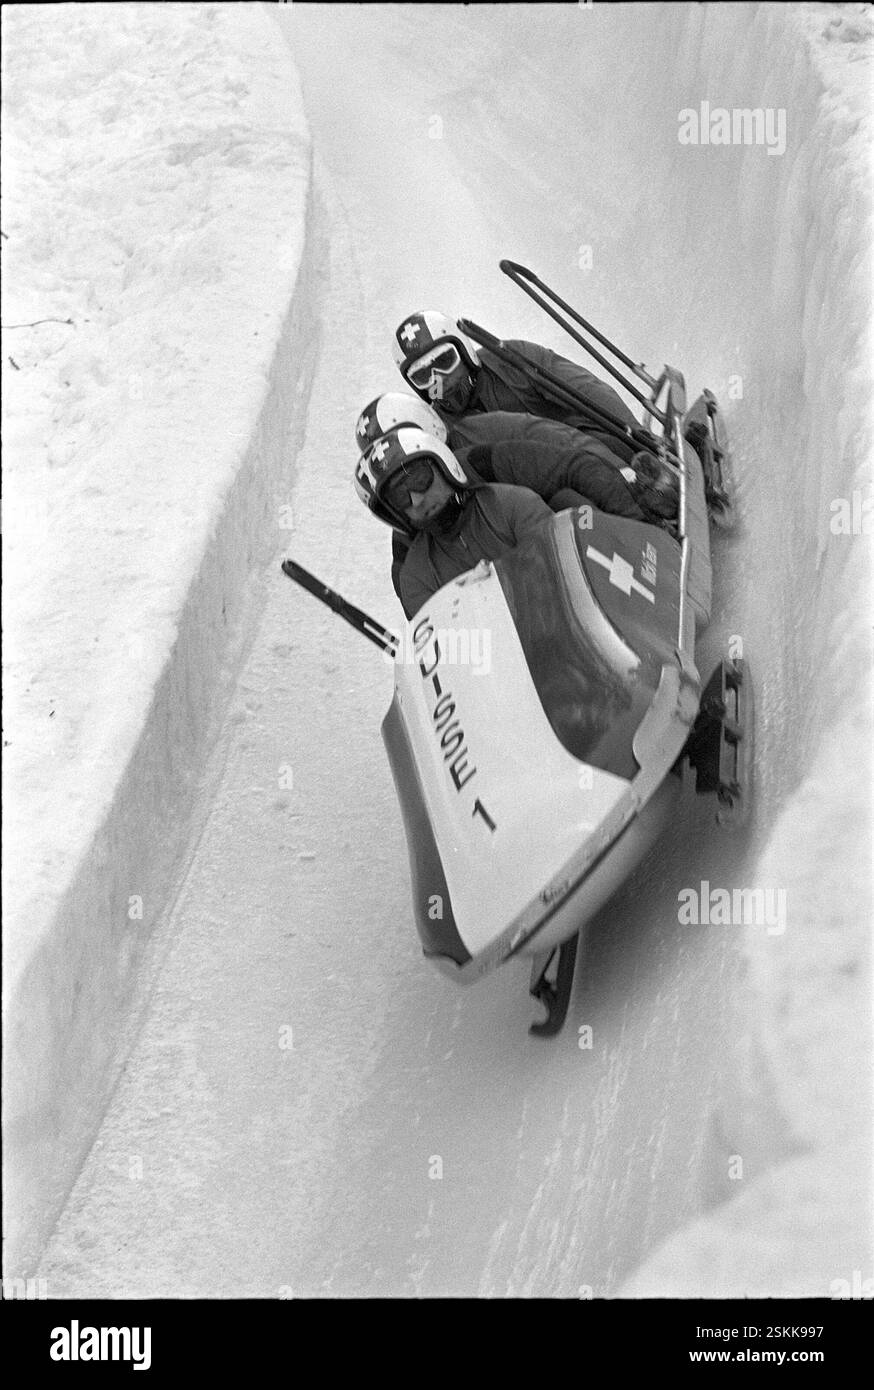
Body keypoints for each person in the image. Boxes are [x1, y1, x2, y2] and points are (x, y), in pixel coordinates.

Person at [391, 311, 647, 463]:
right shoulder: (440, 430)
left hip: (590, 444)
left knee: (613, 447)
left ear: (465, 352)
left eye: (445, 361)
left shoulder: (511, 359)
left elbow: (585, 389)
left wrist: (636, 434)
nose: (440, 378)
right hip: (545, 491)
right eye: (424, 376)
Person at [355, 425, 555, 618]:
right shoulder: (416, 578)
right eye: (400, 497)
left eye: (418, 479)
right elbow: (452, 642)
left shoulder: (514, 504)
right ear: (397, 513)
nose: (417, 500)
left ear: (444, 467)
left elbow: (556, 570)